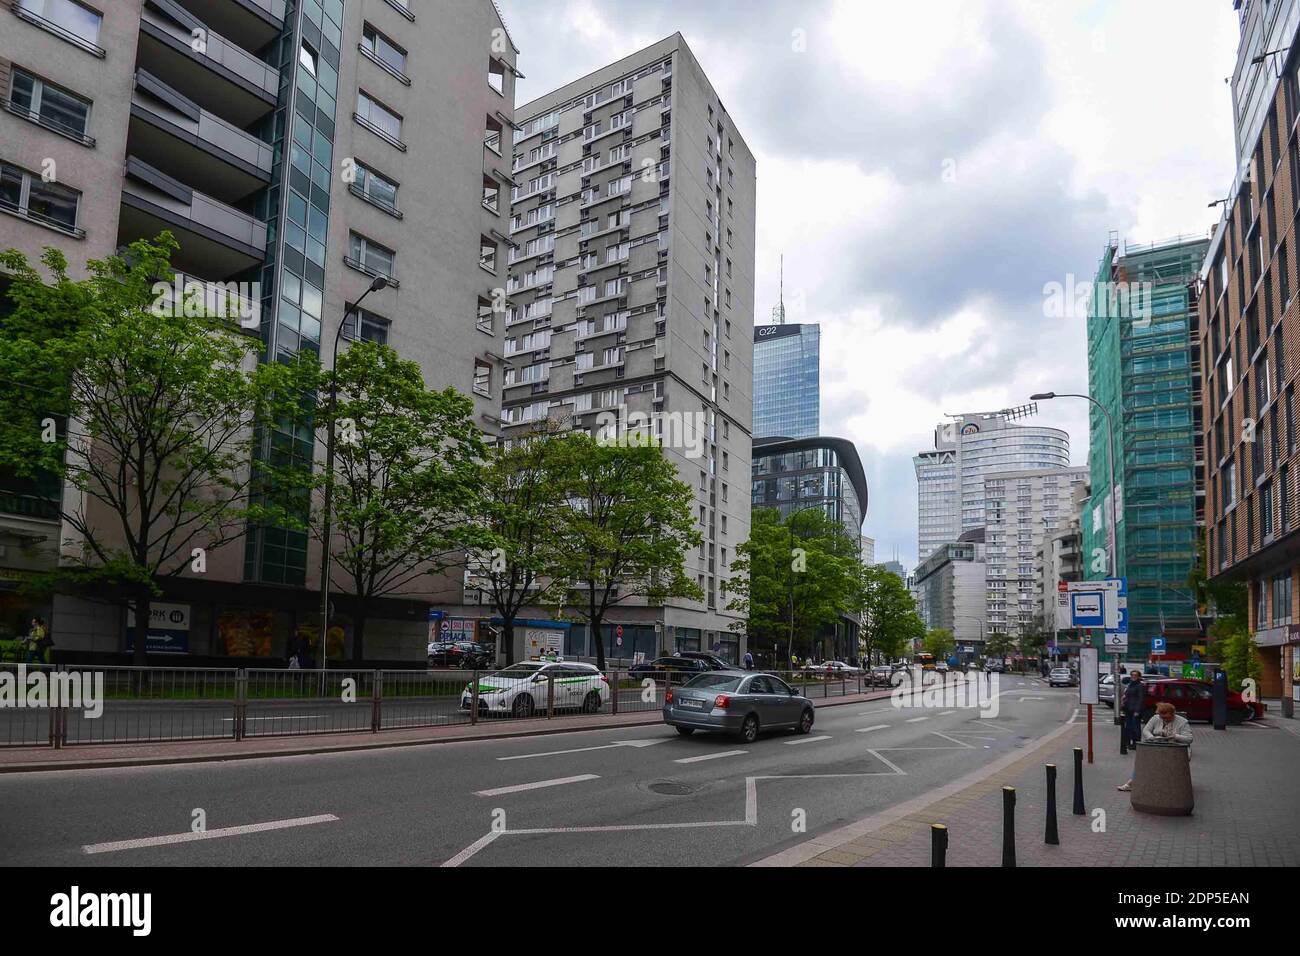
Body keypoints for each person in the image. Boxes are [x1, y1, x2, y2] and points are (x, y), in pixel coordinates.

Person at [1118, 701, 1191, 791]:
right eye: (1162, 717)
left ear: (1173, 714)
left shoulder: (1183, 722)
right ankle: (1131, 783)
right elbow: (1146, 730)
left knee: (1166, 762)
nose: (1164, 720)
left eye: (1167, 718)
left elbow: (1189, 739)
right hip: (1158, 746)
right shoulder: (1156, 718)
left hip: (1176, 749)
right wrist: (1152, 737)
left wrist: (1175, 736)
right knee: (1143, 761)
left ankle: (1170, 785)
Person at [1120, 669, 1145, 749]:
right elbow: (1127, 695)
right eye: (1132, 675)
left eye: (1135, 675)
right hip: (1128, 709)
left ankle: (1135, 743)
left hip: (1135, 709)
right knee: (1128, 727)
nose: (1133, 677)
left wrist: (1137, 710)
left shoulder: (1140, 686)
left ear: (1139, 677)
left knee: (1135, 727)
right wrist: (1124, 699)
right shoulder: (1130, 684)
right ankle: (1128, 742)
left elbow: (1141, 699)